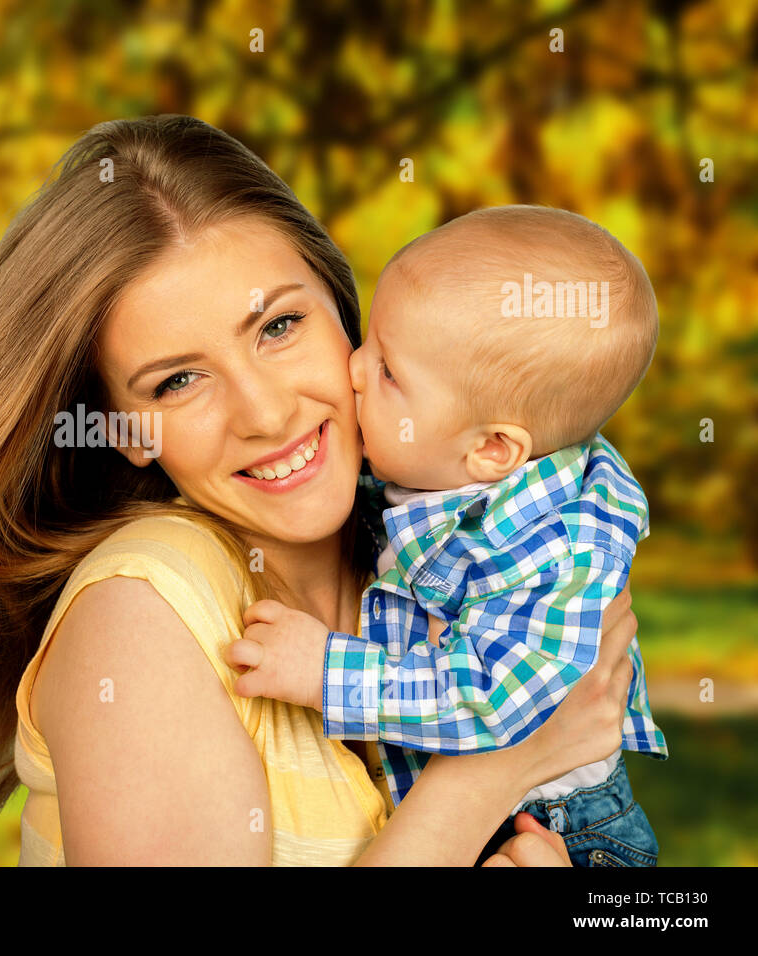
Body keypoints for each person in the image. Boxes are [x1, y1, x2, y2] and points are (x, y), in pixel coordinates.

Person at [0, 115, 636, 867]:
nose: (264, 412)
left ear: (345, 312)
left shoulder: (436, 546)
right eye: (177, 381)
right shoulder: (143, 615)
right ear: (121, 430)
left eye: (279, 326)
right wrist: (492, 772)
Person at [224, 205, 668, 867]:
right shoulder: (454, 472)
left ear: (492, 448)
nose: (352, 370)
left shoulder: (546, 550)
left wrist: (324, 672)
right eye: (368, 342)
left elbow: (484, 700)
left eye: (388, 372)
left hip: (557, 834)